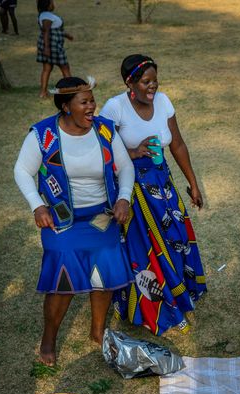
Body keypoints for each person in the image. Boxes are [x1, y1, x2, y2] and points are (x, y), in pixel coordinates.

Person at [13, 76, 134, 366]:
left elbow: (125, 166)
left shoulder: (104, 130)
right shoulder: (43, 135)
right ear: (66, 107)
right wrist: (37, 205)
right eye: (85, 102)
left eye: (92, 100)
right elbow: (21, 170)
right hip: (62, 219)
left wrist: (124, 197)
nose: (92, 106)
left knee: (103, 273)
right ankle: (49, 339)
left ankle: (98, 331)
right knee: (62, 276)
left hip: (100, 216)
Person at [100, 54, 207, 336]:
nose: (152, 87)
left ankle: (180, 294)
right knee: (145, 249)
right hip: (132, 188)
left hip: (163, 183)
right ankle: (152, 307)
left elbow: (178, 144)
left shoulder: (164, 102)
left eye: (155, 81)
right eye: (146, 82)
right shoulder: (115, 108)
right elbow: (102, 150)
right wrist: (133, 153)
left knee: (175, 239)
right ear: (129, 83)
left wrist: (193, 184)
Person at [36, 0, 72, 98]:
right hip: (53, 45)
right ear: (47, 5)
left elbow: (54, 30)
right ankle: (71, 90)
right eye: (52, 3)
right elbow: (46, 31)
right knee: (65, 66)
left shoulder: (44, 15)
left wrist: (67, 35)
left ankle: (43, 92)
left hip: (51, 44)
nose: (53, 5)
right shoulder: (47, 16)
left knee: (47, 68)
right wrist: (47, 48)